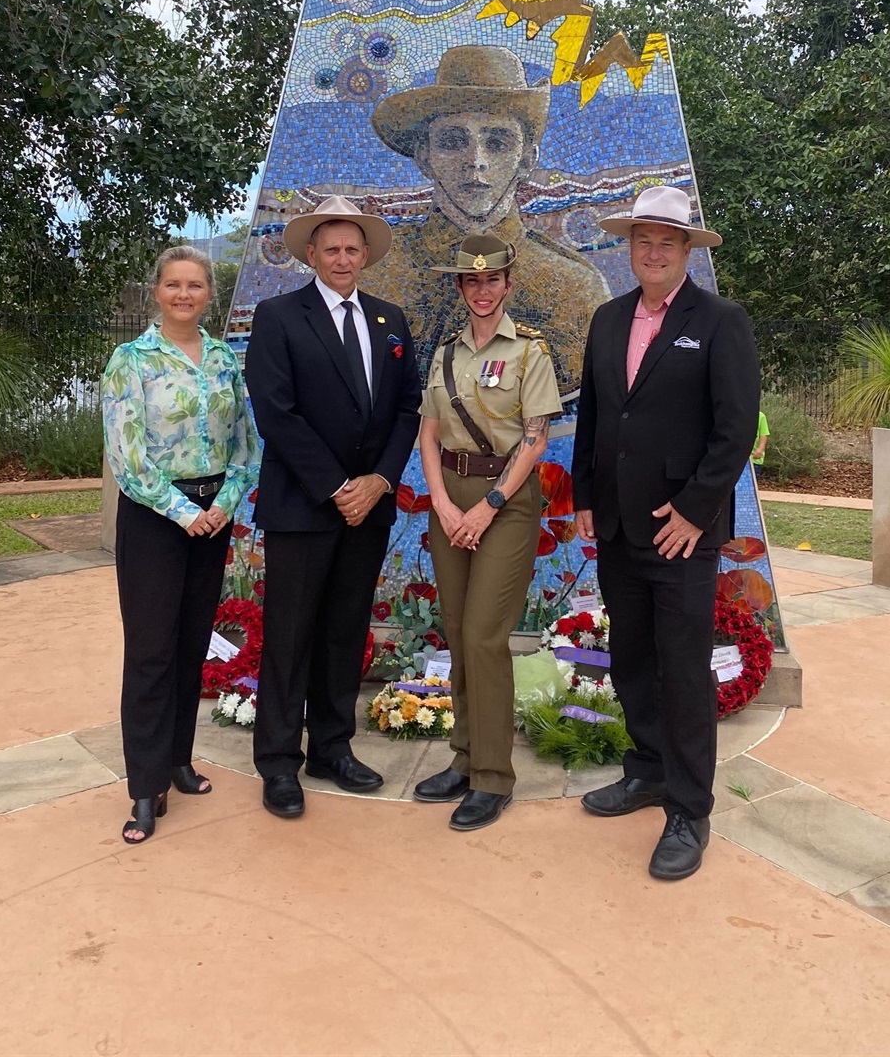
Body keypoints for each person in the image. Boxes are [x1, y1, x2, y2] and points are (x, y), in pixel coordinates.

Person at [571, 185, 760, 881]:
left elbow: (734, 429)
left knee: (682, 672)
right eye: (641, 239)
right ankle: (647, 771)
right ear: (630, 248)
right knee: (632, 660)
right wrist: (586, 497)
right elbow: (593, 416)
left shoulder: (720, 322)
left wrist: (693, 510)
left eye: (666, 241)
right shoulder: (607, 319)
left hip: (683, 531)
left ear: (686, 250)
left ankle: (688, 810)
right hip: (620, 525)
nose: (652, 250)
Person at [244, 196, 421, 818]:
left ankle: (331, 747)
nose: (343, 258)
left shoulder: (390, 320)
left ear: (365, 255)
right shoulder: (278, 316)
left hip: (367, 507)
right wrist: (335, 486)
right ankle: (278, 763)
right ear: (311, 255)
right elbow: (276, 413)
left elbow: (406, 409)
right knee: (289, 637)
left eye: (353, 248)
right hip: (304, 505)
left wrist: (377, 480)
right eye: (332, 249)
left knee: (346, 632)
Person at [101, 244, 260, 846]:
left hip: (212, 516)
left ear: (209, 294)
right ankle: (145, 787)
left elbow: (246, 444)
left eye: (195, 286)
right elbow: (127, 455)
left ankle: (177, 760)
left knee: (194, 640)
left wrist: (223, 503)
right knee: (150, 650)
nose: (184, 295)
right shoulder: (131, 361)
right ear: (157, 291)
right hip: (154, 517)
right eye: (174, 285)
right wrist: (182, 511)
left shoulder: (223, 359)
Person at [412, 233, 562, 831]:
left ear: (508, 284)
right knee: (456, 631)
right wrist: (445, 505)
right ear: (459, 287)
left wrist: (488, 505)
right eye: (470, 282)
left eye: (492, 280)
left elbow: (536, 437)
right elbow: (428, 434)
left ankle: (494, 777)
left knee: (483, 633)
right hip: (452, 497)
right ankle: (466, 758)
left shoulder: (529, 351)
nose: (481, 291)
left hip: (507, 501)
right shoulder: (445, 352)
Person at [368, 45, 610, 392]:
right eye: (453, 141)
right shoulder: (378, 276)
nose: (476, 160)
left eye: (497, 142)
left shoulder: (575, 290)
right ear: (424, 157)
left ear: (526, 159)